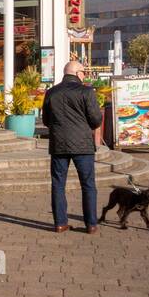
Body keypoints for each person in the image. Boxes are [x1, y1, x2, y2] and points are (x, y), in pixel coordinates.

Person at [42, 58, 103, 234]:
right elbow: (96, 119)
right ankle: (91, 224)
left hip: (59, 144)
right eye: (83, 72)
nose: (85, 75)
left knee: (58, 184)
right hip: (82, 145)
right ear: (77, 73)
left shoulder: (51, 92)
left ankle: (60, 223)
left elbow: (46, 120)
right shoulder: (86, 91)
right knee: (88, 184)